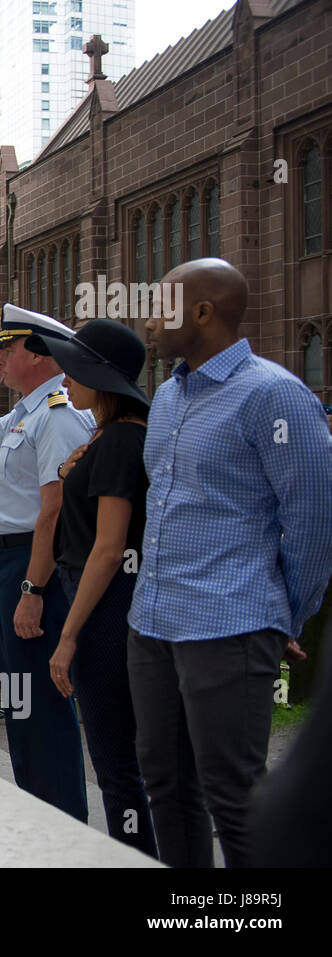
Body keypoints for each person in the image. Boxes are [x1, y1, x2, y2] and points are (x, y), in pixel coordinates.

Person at [129, 257, 332, 868]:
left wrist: (283, 618)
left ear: (203, 312)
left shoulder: (273, 394)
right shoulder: (166, 396)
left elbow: (314, 521)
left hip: (229, 623)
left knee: (235, 797)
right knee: (164, 783)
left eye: (161, 305)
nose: (148, 320)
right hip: (155, 622)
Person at [26, 319, 158, 859]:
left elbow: (108, 549)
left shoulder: (122, 439)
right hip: (102, 598)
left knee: (116, 764)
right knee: (118, 760)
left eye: (74, 369)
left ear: (100, 378)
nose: (64, 379)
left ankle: (134, 854)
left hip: (106, 608)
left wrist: (68, 636)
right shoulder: (110, 435)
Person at [0, 304, 93, 822]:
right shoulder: (26, 412)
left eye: (9, 347)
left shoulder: (57, 414)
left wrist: (33, 589)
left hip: (29, 566)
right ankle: (36, 806)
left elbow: (55, 508)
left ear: (39, 356)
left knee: (40, 700)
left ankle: (60, 821)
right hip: (9, 564)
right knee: (22, 698)